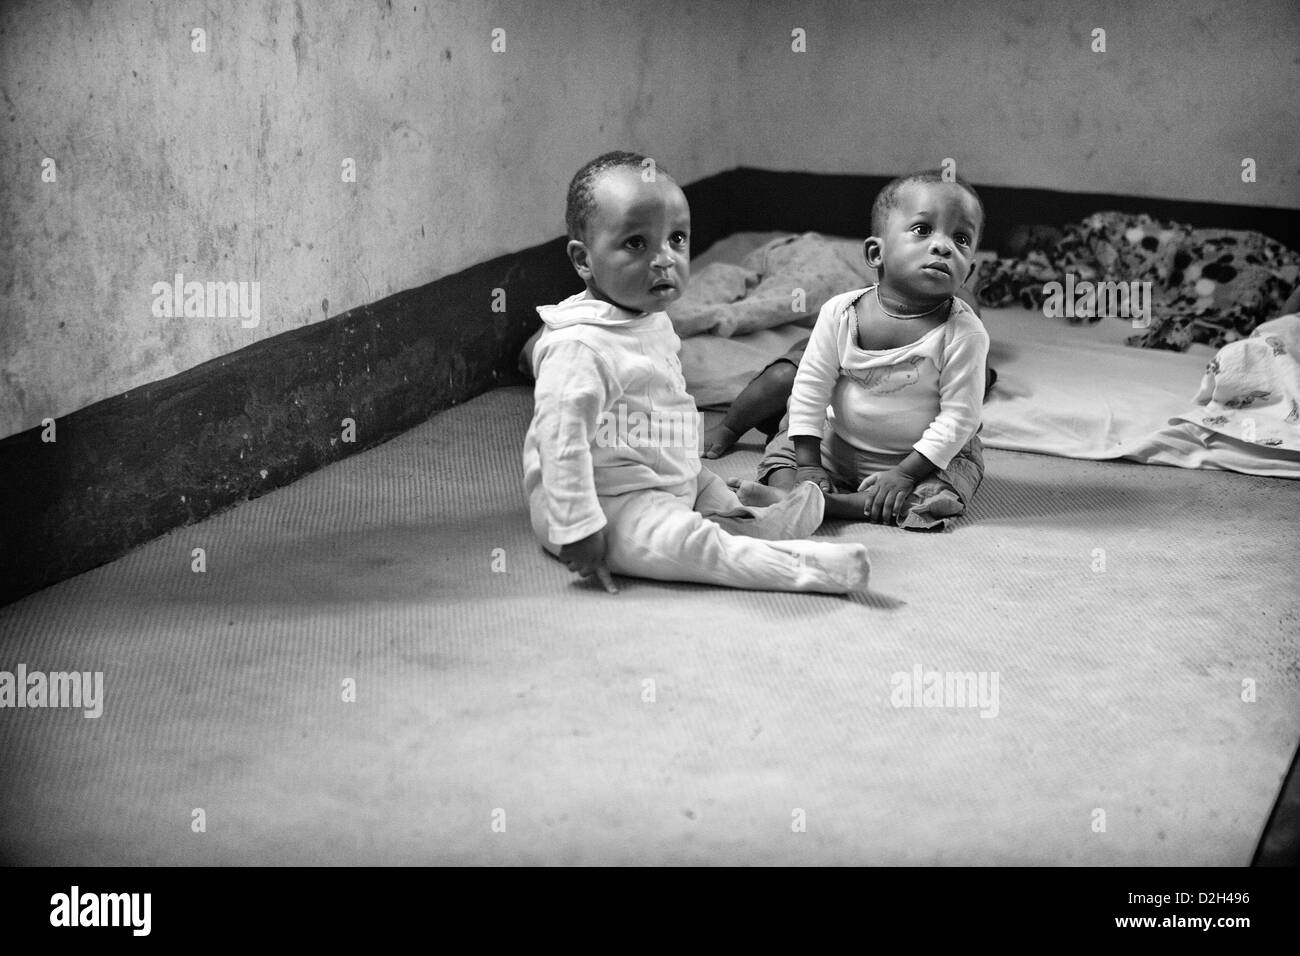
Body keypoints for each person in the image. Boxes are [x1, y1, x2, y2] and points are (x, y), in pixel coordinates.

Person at [522, 151, 872, 593]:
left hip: (668, 473)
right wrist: (577, 527)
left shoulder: (651, 316)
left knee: (716, 495)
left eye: (677, 239)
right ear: (583, 259)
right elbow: (559, 444)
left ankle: (755, 517)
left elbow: (667, 402)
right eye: (636, 243)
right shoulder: (578, 347)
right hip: (608, 501)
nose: (664, 259)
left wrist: (690, 473)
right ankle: (805, 569)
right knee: (691, 545)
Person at [729, 171, 990, 531]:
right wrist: (808, 465)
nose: (943, 246)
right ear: (875, 253)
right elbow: (809, 388)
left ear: (968, 271)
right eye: (922, 230)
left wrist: (902, 473)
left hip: (919, 460)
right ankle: (797, 490)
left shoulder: (965, 333)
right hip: (835, 444)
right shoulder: (840, 312)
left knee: (938, 496)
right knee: (786, 450)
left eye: (961, 239)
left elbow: (959, 420)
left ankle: (827, 505)